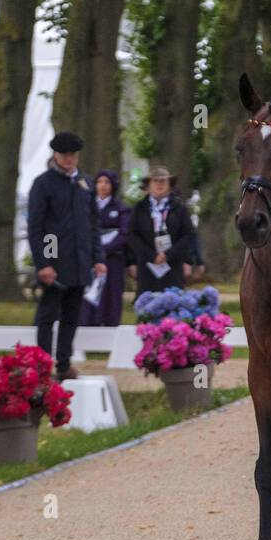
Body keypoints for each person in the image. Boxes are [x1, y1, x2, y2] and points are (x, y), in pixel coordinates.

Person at [28, 131, 105, 380]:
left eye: (72, 155)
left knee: (72, 317)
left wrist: (98, 258)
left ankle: (63, 364)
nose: (69, 159)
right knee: (47, 317)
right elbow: (38, 227)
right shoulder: (44, 184)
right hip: (55, 264)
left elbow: (93, 224)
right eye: (64, 155)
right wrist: (45, 263)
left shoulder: (85, 183)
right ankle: (41, 366)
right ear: (55, 155)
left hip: (80, 261)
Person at [126, 165, 195, 297]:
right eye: (156, 181)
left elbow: (188, 235)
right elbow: (132, 235)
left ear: (169, 184)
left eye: (163, 181)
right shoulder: (140, 208)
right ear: (149, 185)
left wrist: (167, 255)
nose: (159, 184)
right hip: (147, 266)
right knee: (147, 309)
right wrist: (152, 256)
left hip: (172, 265)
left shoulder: (179, 208)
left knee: (173, 306)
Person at [79, 169, 130, 327]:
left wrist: (105, 250)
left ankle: (110, 327)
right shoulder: (87, 206)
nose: (103, 186)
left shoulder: (121, 208)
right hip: (89, 259)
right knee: (89, 294)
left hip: (112, 258)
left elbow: (125, 233)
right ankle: (87, 326)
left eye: (107, 182)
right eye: (100, 182)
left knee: (111, 295)